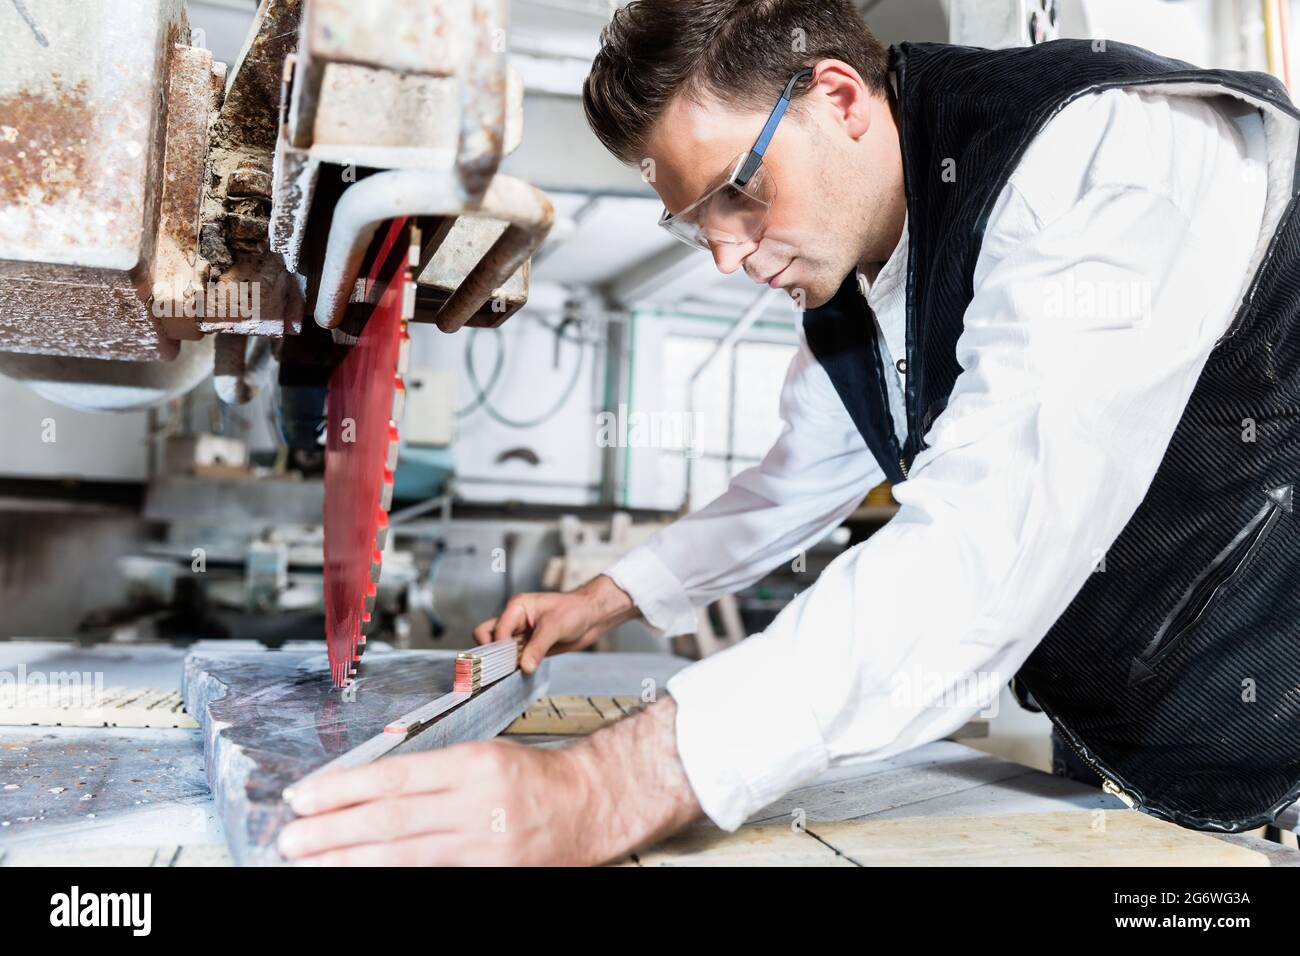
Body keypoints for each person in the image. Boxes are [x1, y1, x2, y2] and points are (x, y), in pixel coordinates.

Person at [277, 0, 1300, 865]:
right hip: (1136, 737)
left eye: (736, 195)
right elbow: (790, 481)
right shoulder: (856, 282)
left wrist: (610, 782)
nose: (724, 254)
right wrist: (609, 594)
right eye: (696, 224)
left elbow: (985, 540)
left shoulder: (1101, 162)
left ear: (838, 99)